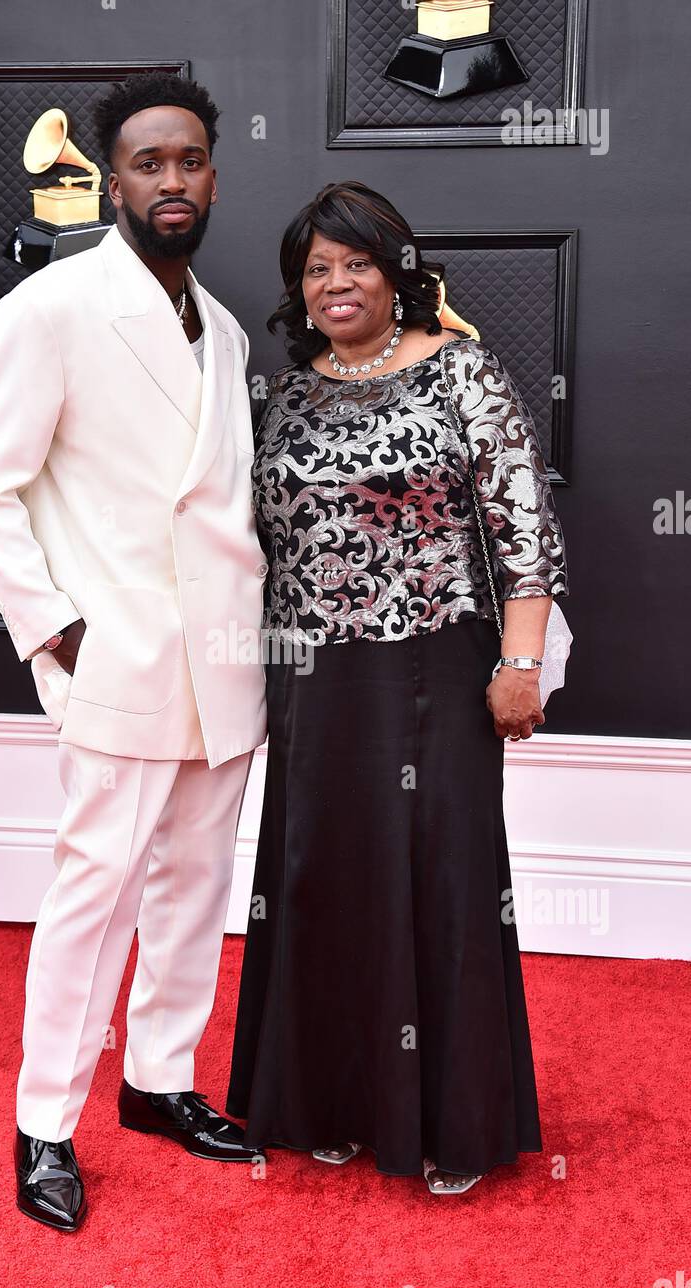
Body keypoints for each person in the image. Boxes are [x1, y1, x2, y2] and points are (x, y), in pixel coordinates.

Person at [0, 74, 269, 1232]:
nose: (171, 180)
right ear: (111, 177)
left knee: (196, 890)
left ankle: (158, 1082)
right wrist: (58, 628)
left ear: (211, 174)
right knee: (91, 898)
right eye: (148, 163)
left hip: (222, 663)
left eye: (188, 160)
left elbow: (223, 506)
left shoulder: (227, 327)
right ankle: (45, 1121)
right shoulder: (50, 307)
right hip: (117, 657)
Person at [226, 181, 570, 1195]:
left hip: (435, 668)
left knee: (439, 880)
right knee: (317, 877)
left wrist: (518, 662)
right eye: (316, 269)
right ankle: (329, 1101)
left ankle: (442, 1120)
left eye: (355, 263)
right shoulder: (282, 394)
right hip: (311, 677)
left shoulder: (462, 370)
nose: (336, 283)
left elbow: (523, 527)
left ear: (397, 271)